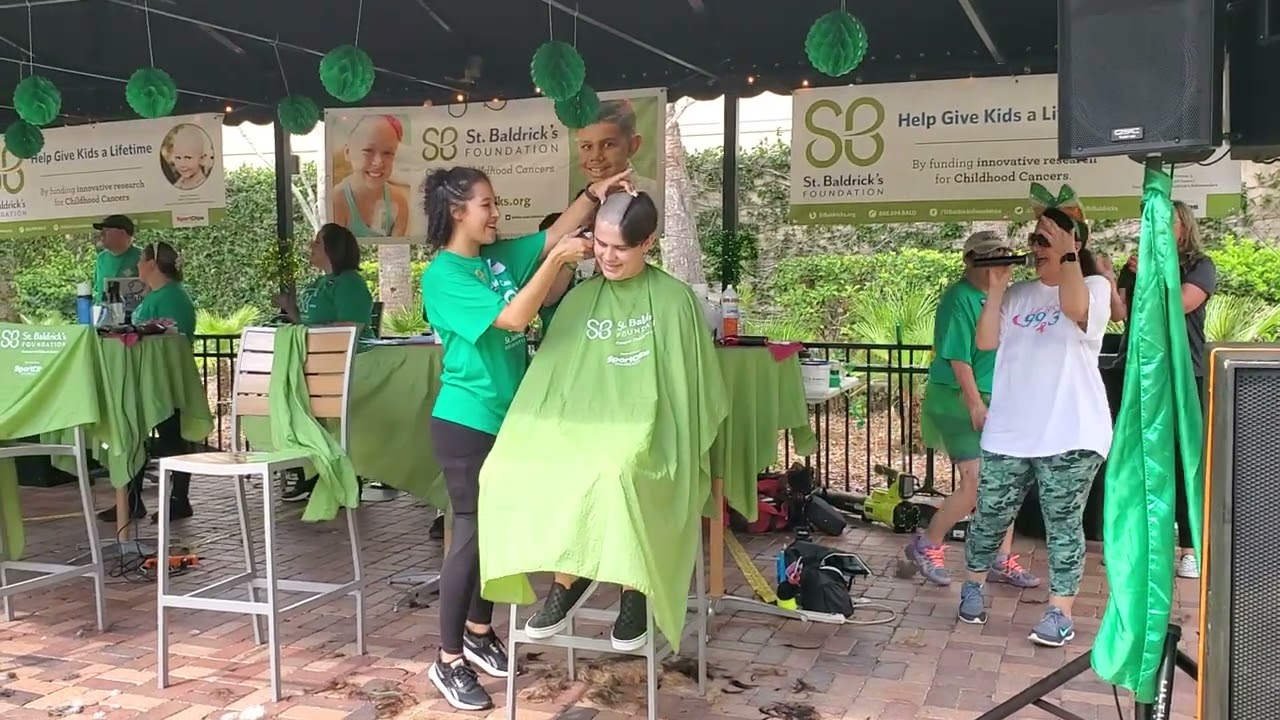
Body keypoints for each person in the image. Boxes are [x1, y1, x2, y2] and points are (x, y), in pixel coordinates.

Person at [477, 191, 727, 658]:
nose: (606, 257)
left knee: (617, 472)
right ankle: (567, 578)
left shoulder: (674, 302)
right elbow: (553, 381)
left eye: (620, 248)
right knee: (506, 468)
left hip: (646, 429)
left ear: (647, 242)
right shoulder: (578, 302)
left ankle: (635, 589)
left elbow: (688, 389)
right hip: (579, 425)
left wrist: (659, 427)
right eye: (601, 244)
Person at [420, 165, 632, 712]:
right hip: (466, 421)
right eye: (486, 204)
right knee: (469, 535)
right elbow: (514, 318)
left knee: (502, 529)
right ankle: (446, 661)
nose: (496, 213)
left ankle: (477, 629)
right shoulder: (444, 276)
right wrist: (558, 260)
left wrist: (592, 195)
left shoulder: (495, 259)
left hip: (508, 420)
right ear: (456, 211)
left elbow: (553, 233)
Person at [959, 207, 1112, 648]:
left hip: (1072, 431)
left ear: (1073, 243)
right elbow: (986, 342)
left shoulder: (1094, 286)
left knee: (1063, 523)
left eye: (1046, 239)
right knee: (990, 514)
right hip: (1011, 430)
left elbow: (1075, 308)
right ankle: (971, 584)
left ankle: (1058, 613)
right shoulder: (1017, 295)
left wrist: (1068, 259)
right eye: (1034, 239)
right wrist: (996, 289)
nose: (1035, 247)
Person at [903, 231, 1041, 589]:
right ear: (970, 261)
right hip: (958, 398)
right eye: (989, 258)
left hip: (999, 398)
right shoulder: (959, 298)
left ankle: (1000, 556)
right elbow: (957, 356)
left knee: (1006, 477)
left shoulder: (1004, 298)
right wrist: (975, 403)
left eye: (1003, 257)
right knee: (977, 483)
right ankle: (928, 543)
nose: (999, 265)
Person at [1112, 199, 1216, 579]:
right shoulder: (1136, 264)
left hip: (1181, 375)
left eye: (1165, 221)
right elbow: (1119, 312)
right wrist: (1115, 278)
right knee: (1137, 459)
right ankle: (1138, 547)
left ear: (1183, 227)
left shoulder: (1200, 266)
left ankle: (1190, 549)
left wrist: (1152, 276)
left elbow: (1180, 303)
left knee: (1181, 458)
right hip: (1138, 372)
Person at [97, 241, 198, 523]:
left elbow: (170, 339)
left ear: (152, 264)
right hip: (149, 376)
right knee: (140, 434)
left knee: (170, 437)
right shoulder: (160, 294)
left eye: (141, 260)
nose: (136, 266)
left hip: (163, 378)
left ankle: (178, 499)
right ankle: (132, 499)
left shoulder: (170, 297)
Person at [330, 115, 410, 238]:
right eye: (368, 150)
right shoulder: (337, 201)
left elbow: (397, 252)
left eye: (388, 153)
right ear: (347, 152)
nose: (378, 162)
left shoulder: (399, 202)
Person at [574, 100, 660, 199]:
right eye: (586, 146)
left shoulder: (653, 195)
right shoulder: (580, 198)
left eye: (608, 145)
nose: (595, 156)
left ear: (633, 145)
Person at [92, 215, 141, 303]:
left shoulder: (143, 257)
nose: (101, 234)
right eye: (101, 231)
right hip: (105, 314)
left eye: (106, 231)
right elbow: (97, 291)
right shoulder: (101, 259)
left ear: (122, 233)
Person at [164, 125, 213, 191]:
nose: (182, 164)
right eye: (178, 158)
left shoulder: (206, 186)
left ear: (202, 159)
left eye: (187, 158)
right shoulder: (177, 185)